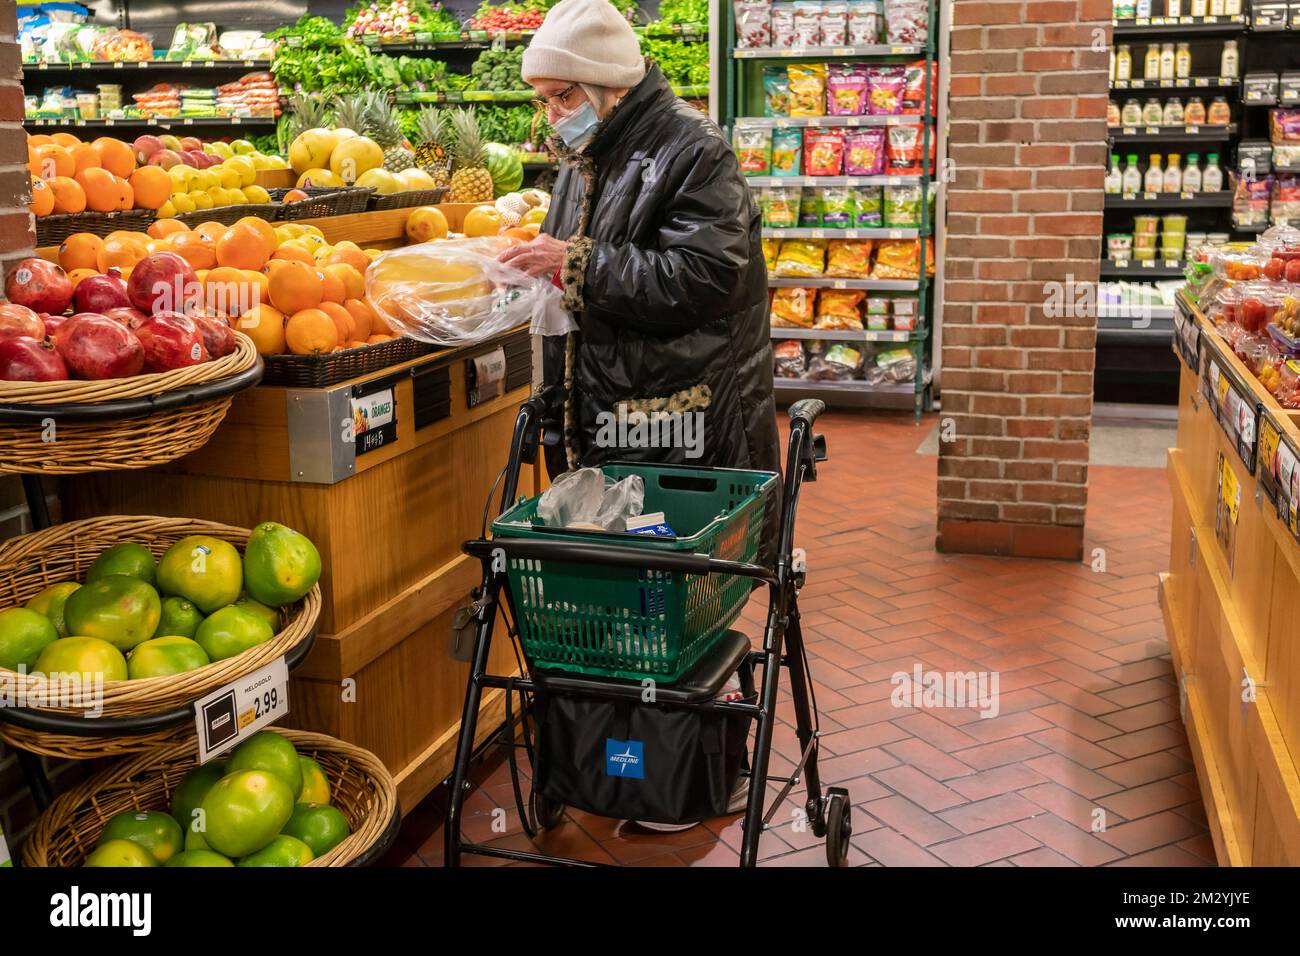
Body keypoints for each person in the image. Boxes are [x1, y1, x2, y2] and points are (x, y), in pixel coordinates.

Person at [498, 0, 780, 482]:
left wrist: (574, 263)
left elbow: (709, 276)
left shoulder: (694, 148)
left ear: (606, 83)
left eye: (562, 97)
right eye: (542, 100)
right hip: (608, 405)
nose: (552, 115)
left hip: (681, 416)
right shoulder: (584, 153)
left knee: (677, 547)